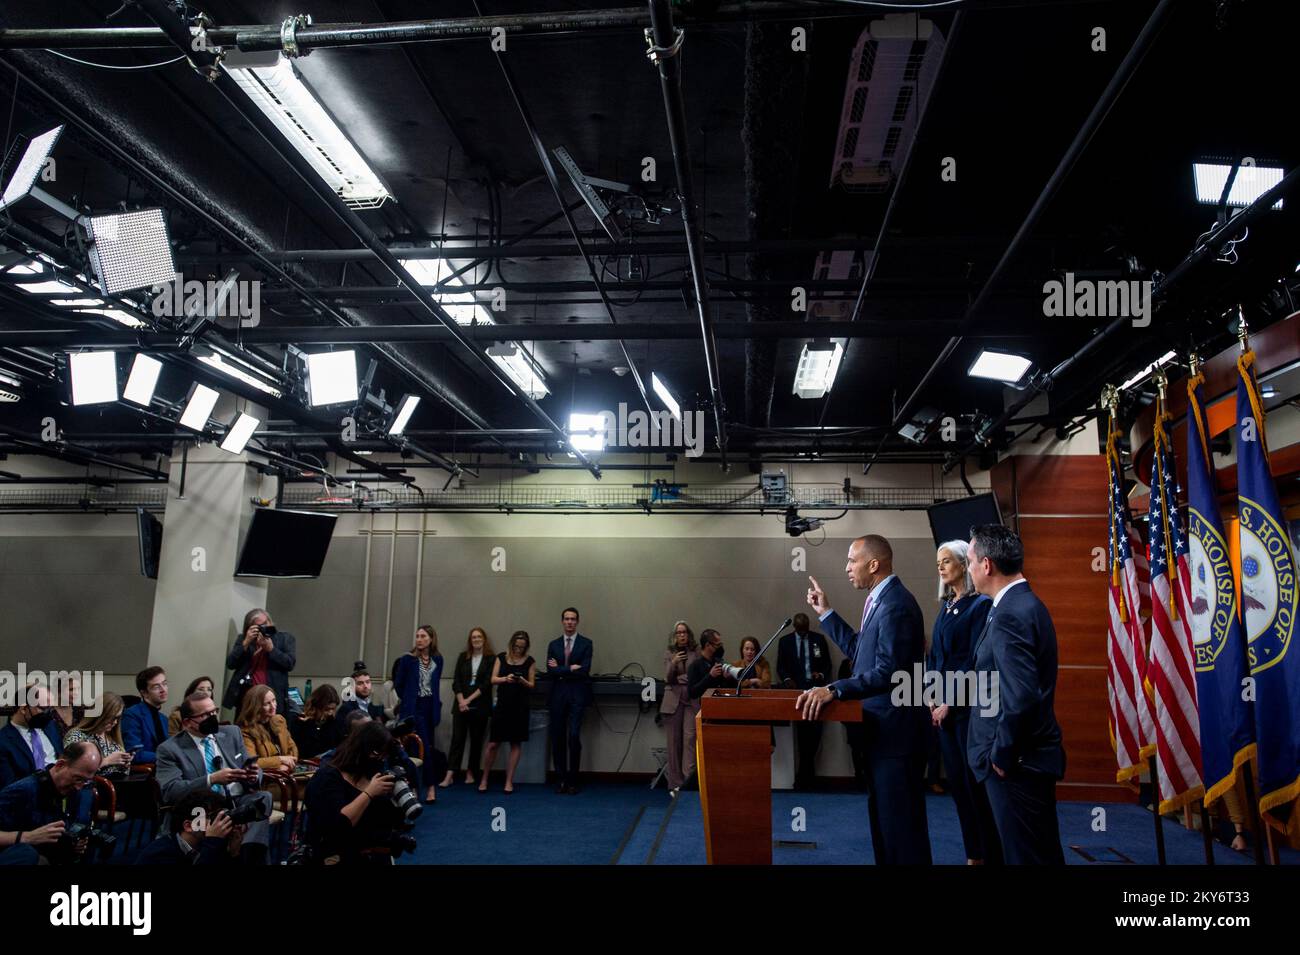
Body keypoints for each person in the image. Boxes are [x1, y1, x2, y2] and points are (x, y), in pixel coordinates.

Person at [799, 534, 932, 865]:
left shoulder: (897, 604)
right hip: (880, 735)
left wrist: (835, 688)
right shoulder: (880, 601)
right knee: (886, 828)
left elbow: (889, 671)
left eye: (851, 561)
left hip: (896, 738)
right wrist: (826, 612)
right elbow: (861, 652)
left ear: (874, 564)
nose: (846, 568)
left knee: (902, 833)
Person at [965, 524, 1066, 865]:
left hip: (1017, 764)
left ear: (987, 565)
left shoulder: (1010, 612)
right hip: (1025, 760)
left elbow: (1021, 697)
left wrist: (1001, 756)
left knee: (1027, 857)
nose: (969, 570)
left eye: (969, 562)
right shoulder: (1021, 603)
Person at [929, 539, 1000, 865]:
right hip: (943, 711)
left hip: (968, 711)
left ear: (963, 564)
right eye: (939, 562)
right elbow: (936, 658)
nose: (941, 567)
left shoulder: (980, 605)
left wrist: (950, 703)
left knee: (975, 789)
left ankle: (987, 853)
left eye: (947, 561)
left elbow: (975, 661)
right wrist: (931, 697)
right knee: (958, 787)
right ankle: (973, 853)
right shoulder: (946, 607)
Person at [155, 691, 274, 864]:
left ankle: (249, 855)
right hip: (203, 809)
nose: (213, 717)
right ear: (188, 723)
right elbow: (170, 791)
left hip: (237, 801)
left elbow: (250, 765)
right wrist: (212, 779)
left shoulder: (232, 733)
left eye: (214, 712)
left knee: (263, 798)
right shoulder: (170, 749)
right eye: (205, 715)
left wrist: (253, 775)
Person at [304, 720, 403, 865]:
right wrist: (369, 793)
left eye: (383, 756)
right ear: (361, 749)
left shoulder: (369, 774)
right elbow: (340, 825)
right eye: (376, 753)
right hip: (333, 855)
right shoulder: (327, 777)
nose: (379, 760)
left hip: (369, 852)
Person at [0, 741, 100, 864]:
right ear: (60, 765)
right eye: (78, 778)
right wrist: (26, 837)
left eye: (86, 781)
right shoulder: (22, 791)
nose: (79, 786)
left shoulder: (76, 791)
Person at [777, 613, 832, 789]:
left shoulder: (819, 639)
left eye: (805, 630)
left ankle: (806, 773)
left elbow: (827, 665)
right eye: (800, 631)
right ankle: (806, 776)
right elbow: (781, 666)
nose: (803, 633)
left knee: (815, 733)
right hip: (797, 693)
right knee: (802, 734)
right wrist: (787, 679)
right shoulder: (785, 642)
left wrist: (821, 675)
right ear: (795, 628)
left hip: (816, 690)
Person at [393, 624, 445, 803]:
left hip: (430, 706)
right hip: (412, 708)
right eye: (417, 636)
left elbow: (435, 685)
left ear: (431, 639)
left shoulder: (438, 659)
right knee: (417, 748)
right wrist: (408, 700)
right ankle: (425, 787)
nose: (419, 639)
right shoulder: (407, 659)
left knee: (427, 747)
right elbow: (398, 684)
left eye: (423, 636)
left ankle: (422, 786)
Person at [480, 630, 536, 793]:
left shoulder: (530, 661)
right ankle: (484, 778)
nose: (518, 649)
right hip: (503, 705)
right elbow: (493, 679)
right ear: (512, 644)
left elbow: (532, 684)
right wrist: (506, 678)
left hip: (520, 706)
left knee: (515, 743)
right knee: (493, 744)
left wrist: (523, 681)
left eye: (522, 647)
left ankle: (509, 781)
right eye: (516, 646)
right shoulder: (501, 657)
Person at [546, 607, 593, 795]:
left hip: (577, 695)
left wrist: (562, 669)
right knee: (557, 738)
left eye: (573, 619)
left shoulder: (586, 643)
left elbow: (585, 669)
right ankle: (561, 780)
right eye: (566, 619)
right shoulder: (554, 644)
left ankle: (573, 780)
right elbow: (550, 671)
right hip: (557, 695)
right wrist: (571, 669)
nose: (570, 622)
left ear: (577, 621)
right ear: (562, 621)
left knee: (573, 736)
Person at [443, 627, 495, 786]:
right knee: (457, 740)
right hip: (460, 705)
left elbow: (486, 684)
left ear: (484, 639)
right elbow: (456, 681)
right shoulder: (462, 657)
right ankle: (450, 774)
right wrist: (461, 701)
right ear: (470, 640)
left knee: (476, 740)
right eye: (473, 637)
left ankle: (471, 772)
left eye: (479, 637)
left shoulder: (491, 658)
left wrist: (468, 700)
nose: (476, 639)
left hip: (480, 705)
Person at [134, 790, 243, 865]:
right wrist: (212, 843)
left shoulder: (213, 844)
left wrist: (234, 854)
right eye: (212, 817)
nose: (219, 823)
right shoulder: (159, 854)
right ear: (189, 826)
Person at [223, 608, 297, 714]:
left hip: (273, 696)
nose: (264, 628)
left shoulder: (284, 638)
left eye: (266, 623)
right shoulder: (244, 639)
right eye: (259, 626)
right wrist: (245, 643)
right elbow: (230, 664)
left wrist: (272, 650)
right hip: (248, 697)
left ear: (270, 622)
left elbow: (290, 663)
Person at [661, 621, 700, 792]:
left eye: (684, 632)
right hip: (673, 703)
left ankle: (687, 784)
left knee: (690, 740)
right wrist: (674, 662)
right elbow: (668, 678)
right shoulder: (669, 653)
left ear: (689, 634)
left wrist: (681, 678)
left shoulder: (696, 652)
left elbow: (695, 677)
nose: (682, 635)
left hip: (691, 702)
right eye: (678, 633)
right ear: (675, 636)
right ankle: (674, 784)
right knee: (673, 743)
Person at [0, 684, 63, 787]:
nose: (49, 714)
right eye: (43, 709)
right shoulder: (3, 742)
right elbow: (10, 788)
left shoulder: (50, 726)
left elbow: (61, 754)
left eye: (51, 708)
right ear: (24, 708)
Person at [64, 691, 134, 781]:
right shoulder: (77, 735)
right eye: (111, 717)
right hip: (91, 788)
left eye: (117, 718)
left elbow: (123, 773)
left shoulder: (112, 738)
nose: (115, 722)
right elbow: (72, 770)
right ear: (100, 715)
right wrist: (107, 761)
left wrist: (125, 763)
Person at [236, 685, 299, 773]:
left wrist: (287, 765)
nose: (273, 706)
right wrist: (280, 760)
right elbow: (251, 762)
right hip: (266, 780)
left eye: (274, 700)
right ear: (256, 707)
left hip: (287, 774)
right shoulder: (246, 731)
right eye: (267, 704)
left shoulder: (278, 721)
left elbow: (292, 749)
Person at [121, 666, 169, 765]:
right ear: (144, 693)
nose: (163, 689)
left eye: (164, 684)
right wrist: (166, 758)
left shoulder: (164, 719)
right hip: (145, 774)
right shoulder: (132, 715)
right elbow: (134, 754)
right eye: (156, 687)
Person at [292, 684, 343, 760]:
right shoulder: (300, 723)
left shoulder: (335, 723)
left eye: (333, 709)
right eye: (326, 709)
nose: (330, 713)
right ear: (316, 707)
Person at [49, 675, 85, 740]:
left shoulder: (81, 710)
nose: (76, 693)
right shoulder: (48, 712)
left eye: (78, 689)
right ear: (58, 691)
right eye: (71, 689)